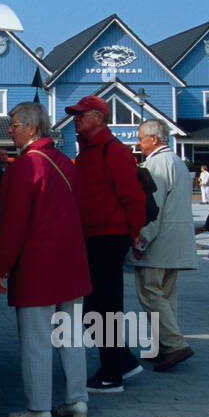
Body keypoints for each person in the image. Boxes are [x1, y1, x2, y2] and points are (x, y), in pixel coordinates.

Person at [0, 102, 90, 417]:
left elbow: (12, 224)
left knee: (36, 340)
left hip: (37, 266)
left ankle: (39, 407)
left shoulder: (24, 168)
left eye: (15, 125)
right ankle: (77, 400)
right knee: (70, 337)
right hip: (71, 262)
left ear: (32, 128)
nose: (10, 130)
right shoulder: (65, 162)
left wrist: (1, 264)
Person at [67, 95, 147, 395]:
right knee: (99, 306)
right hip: (94, 236)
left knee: (103, 306)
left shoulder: (112, 151)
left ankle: (113, 372)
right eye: (75, 115)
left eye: (81, 115)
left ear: (99, 118)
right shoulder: (91, 151)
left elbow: (132, 195)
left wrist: (135, 233)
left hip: (108, 237)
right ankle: (121, 361)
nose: (76, 119)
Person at [131, 121, 197, 371]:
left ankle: (175, 344)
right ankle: (165, 346)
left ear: (154, 139)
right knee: (167, 296)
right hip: (177, 239)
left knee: (150, 292)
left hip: (160, 241)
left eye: (141, 138)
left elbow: (152, 209)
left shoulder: (156, 165)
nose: (138, 142)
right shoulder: (178, 162)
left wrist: (141, 238)